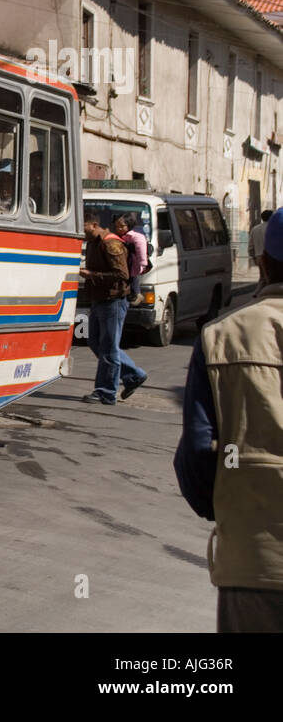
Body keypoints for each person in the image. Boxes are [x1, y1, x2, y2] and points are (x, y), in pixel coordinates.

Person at [174, 209, 283, 631]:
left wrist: (226, 509)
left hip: (254, 565)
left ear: (263, 262)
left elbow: (200, 451)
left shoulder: (221, 336)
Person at [80, 209, 146, 405]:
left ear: (93, 225)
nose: (80, 231)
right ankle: (134, 375)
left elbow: (122, 274)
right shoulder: (93, 242)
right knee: (95, 343)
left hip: (114, 301)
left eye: (82, 226)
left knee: (108, 348)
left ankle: (106, 392)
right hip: (100, 299)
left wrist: (92, 275)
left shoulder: (110, 242)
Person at [113, 212, 148, 304]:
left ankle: (137, 294)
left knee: (133, 278)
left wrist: (143, 263)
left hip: (133, 263)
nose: (119, 229)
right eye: (116, 226)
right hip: (126, 264)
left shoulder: (135, 236)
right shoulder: (118, 236)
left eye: (122, 226)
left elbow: (141, 250)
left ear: (129, 225)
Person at [249, 209, 273, 295]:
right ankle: (260, 293)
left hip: (258, 256)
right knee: (268, 277)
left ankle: (257, 293)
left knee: (262, 276)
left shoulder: (255, 229)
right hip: (268, 257)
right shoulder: (272, 228)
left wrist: (254, 257)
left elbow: (250, 246)